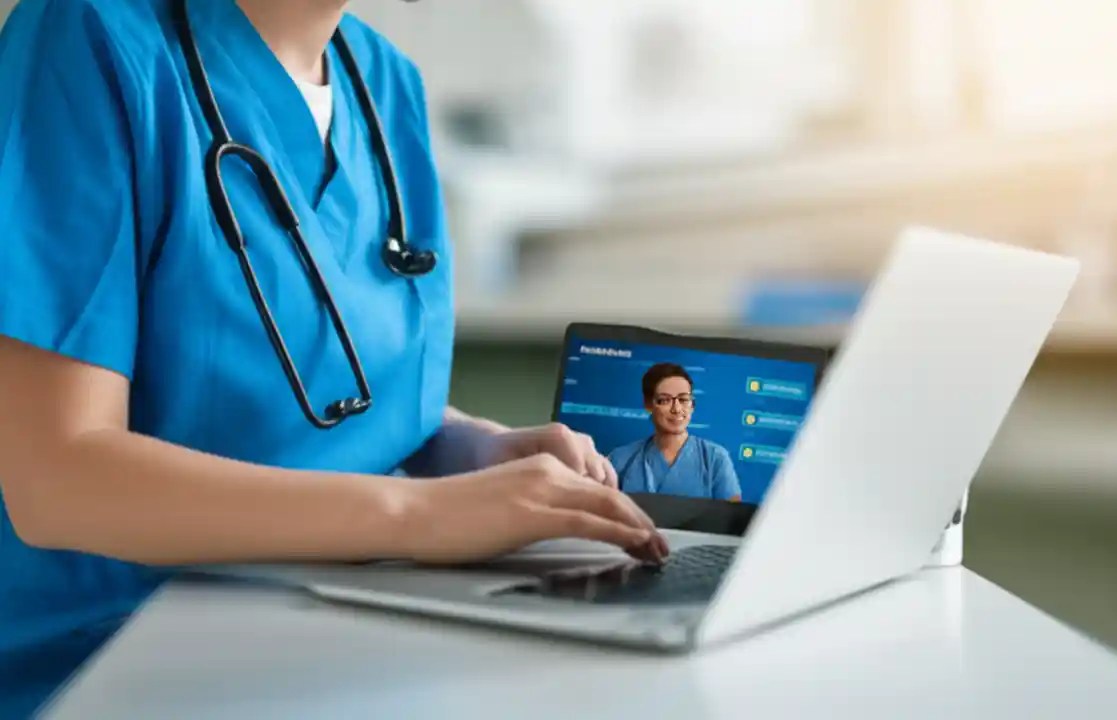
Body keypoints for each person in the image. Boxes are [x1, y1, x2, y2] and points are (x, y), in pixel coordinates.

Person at [0, 0, 667, 714]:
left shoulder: (384, 83)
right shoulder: (91, 39)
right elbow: (56, 480)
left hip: (338, 624)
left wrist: (463, 450)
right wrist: (423, 514)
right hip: (110, 666)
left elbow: (322, 393)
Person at [608, 363, 742, 502]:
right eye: (665, 400)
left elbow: (731, 513)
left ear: (692, 405)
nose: (676, 409)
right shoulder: (621, 459)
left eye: (683, 399)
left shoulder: (715, 459)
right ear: (648, 404)